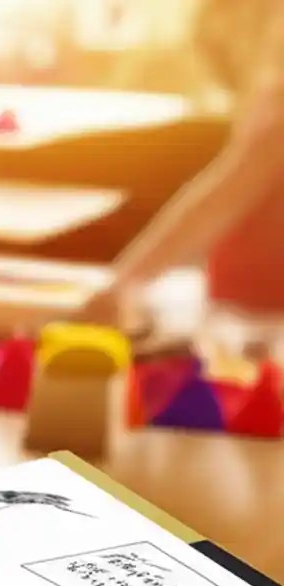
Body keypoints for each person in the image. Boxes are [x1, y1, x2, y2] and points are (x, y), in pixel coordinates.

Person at [78, 0, 284, 359]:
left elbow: (219, 199)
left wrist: (127, 280)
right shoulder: (268, 93)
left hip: (255, 322)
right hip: (240, 308)